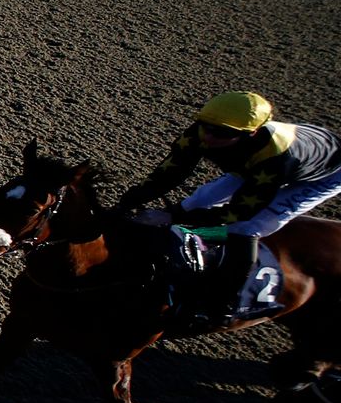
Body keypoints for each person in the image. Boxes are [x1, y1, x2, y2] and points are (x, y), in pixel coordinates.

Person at [118, 92, 341, 318]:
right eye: (206, 126)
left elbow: (241, 212)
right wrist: (126, 203)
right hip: (272, 159)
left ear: (251, 133)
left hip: (325, 174)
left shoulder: (274, 158)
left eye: (222, 133)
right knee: (197, 200)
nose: (209, 137)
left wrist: (172, 218)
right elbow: (172, 172)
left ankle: (222, 302)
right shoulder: (204, 131)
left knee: (249, 227)